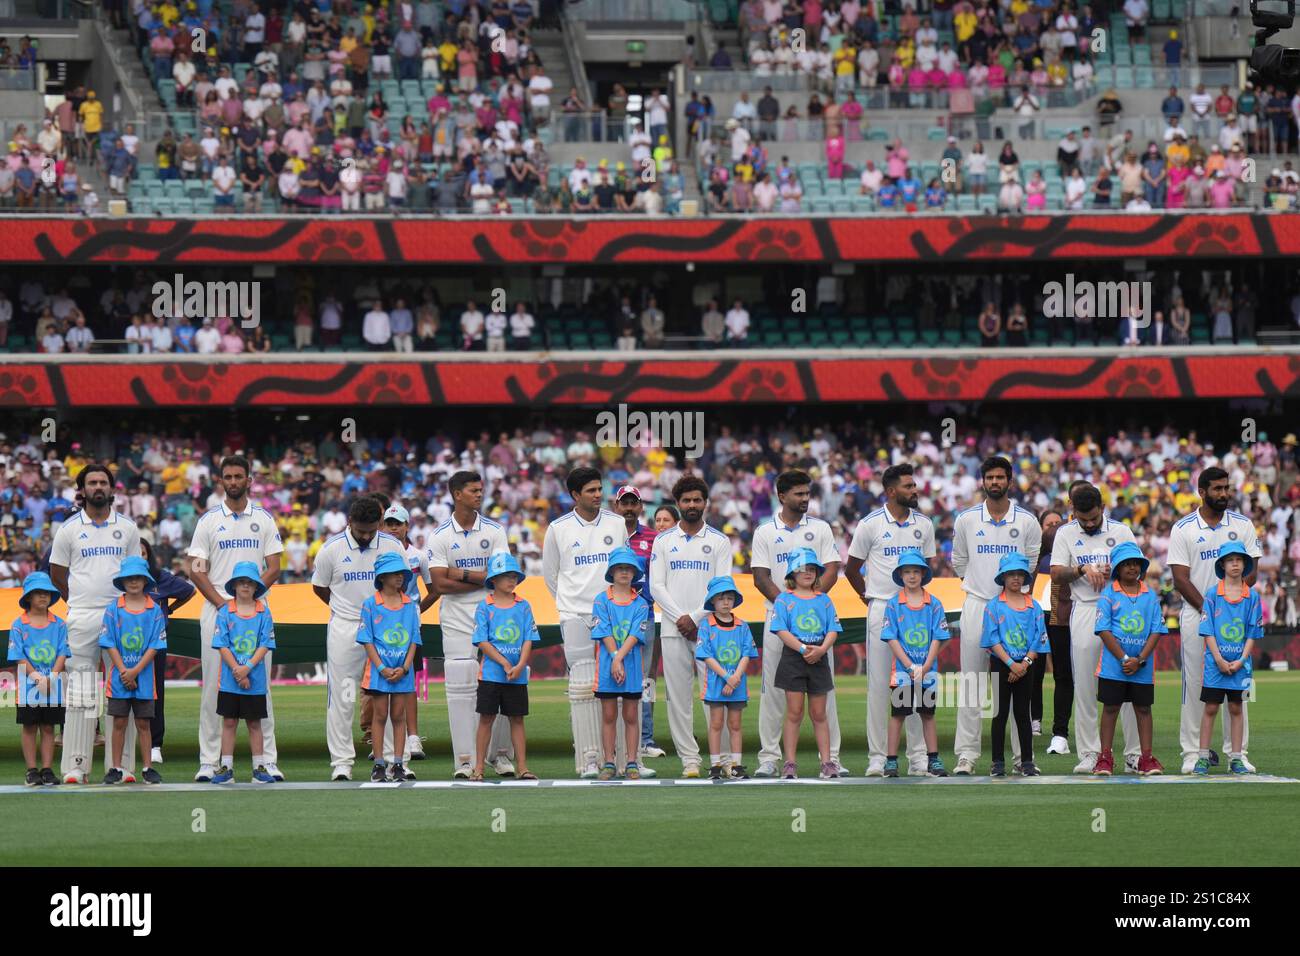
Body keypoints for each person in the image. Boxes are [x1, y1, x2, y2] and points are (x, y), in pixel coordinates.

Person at [186, 455, 285, 782]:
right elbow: (196, 569)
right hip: (218, 609)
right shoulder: (208, 520)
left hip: (256, 612)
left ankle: (266, 762)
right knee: (214, 687)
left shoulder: (265, 519)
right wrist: (224, 605)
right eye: (227, 476)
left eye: (238, 476)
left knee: (261, 688)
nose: (232, 481)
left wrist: (251, 598)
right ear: (221, 480)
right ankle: (210, 761)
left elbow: (274, 567)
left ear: (249, 480)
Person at [50, 463, 142, 784]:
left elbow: (135, 571)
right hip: (82, 614)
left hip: (121, 615)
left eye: (103, 482)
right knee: (81, 690)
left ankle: (122, 766)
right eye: (92, 482)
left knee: (125, 688)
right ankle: (76, 766)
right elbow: (58, 575)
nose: (98, 487)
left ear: (112, 488)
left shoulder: (128, 528)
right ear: (83, 489)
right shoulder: (69, 529)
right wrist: (77, 599)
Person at [950, 456, 1041, 774]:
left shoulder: (1028, 521)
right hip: (977, 604)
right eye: (990, 477)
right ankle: (967, 755)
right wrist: (983, 593)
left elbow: (1031, 566)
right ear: (982, 481)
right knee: (972, 683)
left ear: (1010, 481)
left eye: (1001, 477)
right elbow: (959, 563)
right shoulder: (966, 520)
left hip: (1015, 608)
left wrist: (1010, 599)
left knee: (1018, 686)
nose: (995, 482)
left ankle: (1022, 758)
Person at [752, 469, 846, 778]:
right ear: (782, 496)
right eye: (799, 494)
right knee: (773, 692)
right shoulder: (765, 531)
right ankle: (769, 757)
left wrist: (812, 601)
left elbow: (832, 567)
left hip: (816, 621)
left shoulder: (820, 529)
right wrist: (788, 606)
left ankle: (830, 757)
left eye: (808, 493)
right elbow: (760, 576)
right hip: (777, 618)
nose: (805, 499)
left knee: (824, 692)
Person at [1168, 467, 1261, 774]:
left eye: (1226, 488)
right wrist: (1210, 611)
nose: (1224, 494)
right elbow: (1180, 579)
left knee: (1238, 687)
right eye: (1217, 489)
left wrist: (1230, 608)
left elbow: (1252, 573)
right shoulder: (1183, 528)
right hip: (1199, 617)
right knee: (1196, 684)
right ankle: (1194, 754)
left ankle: (1238, 753)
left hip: (1235, 619)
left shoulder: (1244, 525)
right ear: (1202, 491)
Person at [844, 463, 934, 777]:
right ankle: (878, 758)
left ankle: (919, 758)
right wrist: (868, 597)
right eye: (908, 486)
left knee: (915, 681)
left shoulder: (924, 524)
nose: (915, 490)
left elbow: (928, 569)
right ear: (892, 491)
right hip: (882, 608)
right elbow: (851, 569)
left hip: (915, 611)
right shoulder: (869, 524)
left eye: (914, 485)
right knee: (880, 685)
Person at [542, 466, 632, 777]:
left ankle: (621, 758)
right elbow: (550, 576)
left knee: (617, 684)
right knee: (583, 687)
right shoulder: (558, 528)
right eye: (591, 490)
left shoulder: (617, 523)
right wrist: (573, 604)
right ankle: (588, 758)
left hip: (614, 614)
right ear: (575, 495)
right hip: (575, 614)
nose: (598, 495)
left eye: (599, 489)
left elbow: (626, 568)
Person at [426, 471, 515, 777]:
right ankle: (464, 760)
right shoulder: (439, 536)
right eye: (473, 490)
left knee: (502, 680)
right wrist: (483, 579)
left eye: (481, 489)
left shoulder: (495, 530)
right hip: (455, 616)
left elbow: (502, 578)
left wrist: (460, 574)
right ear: (456, 494)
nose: (480, 494)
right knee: (461, 685)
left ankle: (499, 755)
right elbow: (439, 584)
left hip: (494, 613)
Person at [311, 495, 405, 780]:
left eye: (372, 530)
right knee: (343, 695)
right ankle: (342, 763)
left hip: (386, 627)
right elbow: (320, 588)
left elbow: (400, 584)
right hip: (347, 626)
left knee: (390, 693)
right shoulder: (331, 550)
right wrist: (345, 609)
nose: (366, 536)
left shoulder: (392, 546)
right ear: (349, 522)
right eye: (361, 530)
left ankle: (394, 759)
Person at [1050, 481, 1141, 773]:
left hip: (1120, 611)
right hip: (1086, 610)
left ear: (1103, 508)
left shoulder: (1122, 531)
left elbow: (1136, 569)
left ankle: (1134, 753)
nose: (1088, 524)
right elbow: (1055, 573)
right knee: (1086, 686)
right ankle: (1090, 754)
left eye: (1094, 518)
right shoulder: (1065, 532)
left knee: (1128, 682)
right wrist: (1081, 569)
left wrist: (1112, 572)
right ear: (1073, 510)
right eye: (1082, 518)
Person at [649, 474, 733, 778]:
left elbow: (722, 587)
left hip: (710, 630)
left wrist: (696, 618)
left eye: (697, 499)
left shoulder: (719, 541)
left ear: (705, 502)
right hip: (673, 630)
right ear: (677, 503)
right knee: (678, 698)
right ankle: (690, 761)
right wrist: (681, 618)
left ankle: (722, 758)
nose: (692, 505)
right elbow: (656, 586)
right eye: (686, 500)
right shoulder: (663, 540)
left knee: (715, 696)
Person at [1094, 541, 1167, 776]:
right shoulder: (1108, 594)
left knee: (1143, 709)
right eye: (1127, 564)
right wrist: (1125, 658)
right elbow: (1104, 630)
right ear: (1117, 568)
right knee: (1111, 707)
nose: (1133, 568)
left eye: (1136, 564)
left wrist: (1140, 659)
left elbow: (1157, 629)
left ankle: (1146, 758)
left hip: (1142, 667)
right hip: (1113, 666)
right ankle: (1104, 757)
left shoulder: (1150, 595)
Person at [772, 548, 843, 780]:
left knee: (819, 713)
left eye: (812, 569)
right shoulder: (784, 599)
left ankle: (827, 762)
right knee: (794, 712)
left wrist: (821, 649)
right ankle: (790, 763)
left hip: (819, 657)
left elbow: (833, 629)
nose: (807, 573)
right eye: (802, 568)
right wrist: (803, 649)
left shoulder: (824, 599)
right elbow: (781, 630)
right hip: (794, 658)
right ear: (792, 572)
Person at [1193, 541, 1261, 776]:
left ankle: (1236, 758)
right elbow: (1207, 630)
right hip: (1214, 664)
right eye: (1230, 559)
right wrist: (1219, 659)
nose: (1235, 563)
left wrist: (1241, 660)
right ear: (1222, 564)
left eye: (1239, 559)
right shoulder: (1212, 594)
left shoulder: (1252, 596)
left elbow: (1253, 632)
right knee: (1211, 707)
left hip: (1243, 667)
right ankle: (1202, 757)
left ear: (1245, 564)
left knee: (1237, 707)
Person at [880, 550, 949, 778]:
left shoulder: (934, 603)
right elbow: (891, 638)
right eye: (907, 572)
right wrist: (910, 666)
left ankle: (934, 759)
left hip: (928, 672)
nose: (911, 576)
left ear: (923, 574)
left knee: (927, 714)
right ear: (900, 575)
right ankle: (891, 761)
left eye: (915, 571)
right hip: (901, 672)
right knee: (898, 714)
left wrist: (926, 666)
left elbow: (939, 637)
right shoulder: (893, 604)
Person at [98, 555, 166, 785]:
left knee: (144, 724)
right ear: (123, 581)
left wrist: (134, 671)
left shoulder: (154, 610)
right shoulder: (113, 609)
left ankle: (147, 768)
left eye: (138, 577)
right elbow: (108, 642)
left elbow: (156, 645)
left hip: (144, 678)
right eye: (129, 578)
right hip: (119, 678)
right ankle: (116, 768)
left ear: (145, 580)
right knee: (118, 722)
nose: (134, 582)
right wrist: (124, 671)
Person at [470, 552, 539, 781]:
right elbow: (482, 640)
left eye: (514, 576)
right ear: (494, 579)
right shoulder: (484, 606)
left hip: (516, 676)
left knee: (517, 719)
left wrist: (520, 665)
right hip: (490, 674)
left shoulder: (524, 605)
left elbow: (529, 638)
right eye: (506, 576)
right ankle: (478, 767)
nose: (511, 580)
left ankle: (522, 767)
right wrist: (504, 662)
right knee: (486, 718)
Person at [981, 553, 1049, 777]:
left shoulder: (1034, 606)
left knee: (1023, 714)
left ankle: (1027, 761)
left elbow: (1038, 640)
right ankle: (997, 762)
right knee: (999, 715)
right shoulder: (994, 606)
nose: (1016, 579)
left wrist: (1024, 664)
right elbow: (992, 639)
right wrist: (1011, 664)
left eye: (1020, 574)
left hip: (1025, 667)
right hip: (1002, 664)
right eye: (1011, 574)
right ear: (1003, 577)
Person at [357, 551, 422, 783]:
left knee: (398, 715)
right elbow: (367, 639)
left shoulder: (409, 605)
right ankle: (378, 765)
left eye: (401, 574)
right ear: (382, 577)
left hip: (402, 671)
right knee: (380, 714)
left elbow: (414, 639)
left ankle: (398, 764)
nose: (400, 578)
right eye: (394, 574)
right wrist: (382, 667)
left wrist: (404, 668)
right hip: (378, 671)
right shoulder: (370, 604)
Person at [210, 561, 277, 784]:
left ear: (256, 587)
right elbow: (221, 644)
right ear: (235, 586)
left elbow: (265, 643)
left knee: (254, 723)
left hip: (254, 680)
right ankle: (226, 767)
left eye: (250, 583)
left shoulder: (263, 612)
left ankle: (259, 767)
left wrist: (247, 668)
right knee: (228, 722)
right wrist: (237, 671)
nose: (246, 586)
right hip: (230, 680)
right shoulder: (225, 612)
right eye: (242, 582)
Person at [592, 545, 650, 780]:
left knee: (631, 715)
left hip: (631, 666)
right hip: (607, 667)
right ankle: (608, 762)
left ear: (635, 573)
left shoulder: (641, 603)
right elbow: (603, 630)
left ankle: (632, 761)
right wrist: (615, 658)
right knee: (608, 715)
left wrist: (618, 658)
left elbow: (636, 634)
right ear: (612, 572)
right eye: (620, 568)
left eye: (629, 568)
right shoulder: (601, 600)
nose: (625, 572)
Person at [9, 571, 69, 786]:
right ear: (28, 597)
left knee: (48, 727)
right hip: (28, 687)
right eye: (38, 593)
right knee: (29, 727)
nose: (43, 597)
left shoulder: (60, 624)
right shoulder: (18, 624)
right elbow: (18, 656)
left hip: (53, 685)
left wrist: (52, 676)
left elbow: (63, 651)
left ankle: (47, 769)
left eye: (47, 593)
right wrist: (36, 677)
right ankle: (31, 770)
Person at [695, 575, 757, 781]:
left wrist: (735, 677)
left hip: (737, 684)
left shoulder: (742, 626)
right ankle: (715, 765)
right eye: (721, 598)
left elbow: (747, 653)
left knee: (736, 724)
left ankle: (736, 765)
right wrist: (726, 677)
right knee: (716, 723)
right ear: (713, 601)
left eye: (729, 598)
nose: (725, 602)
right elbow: (706, 655)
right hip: (716, 684)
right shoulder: (706, 625)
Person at [141, 538, 196, 767]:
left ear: (149, 555)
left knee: (156, 694)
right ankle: (126, 744)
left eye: (143, 553)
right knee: (124, 696)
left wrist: (170, 609)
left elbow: (189, 591)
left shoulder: (160, 578)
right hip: (126, 646)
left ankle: (155, 745)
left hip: (155, 645)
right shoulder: (120, 579)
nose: (140, 557)